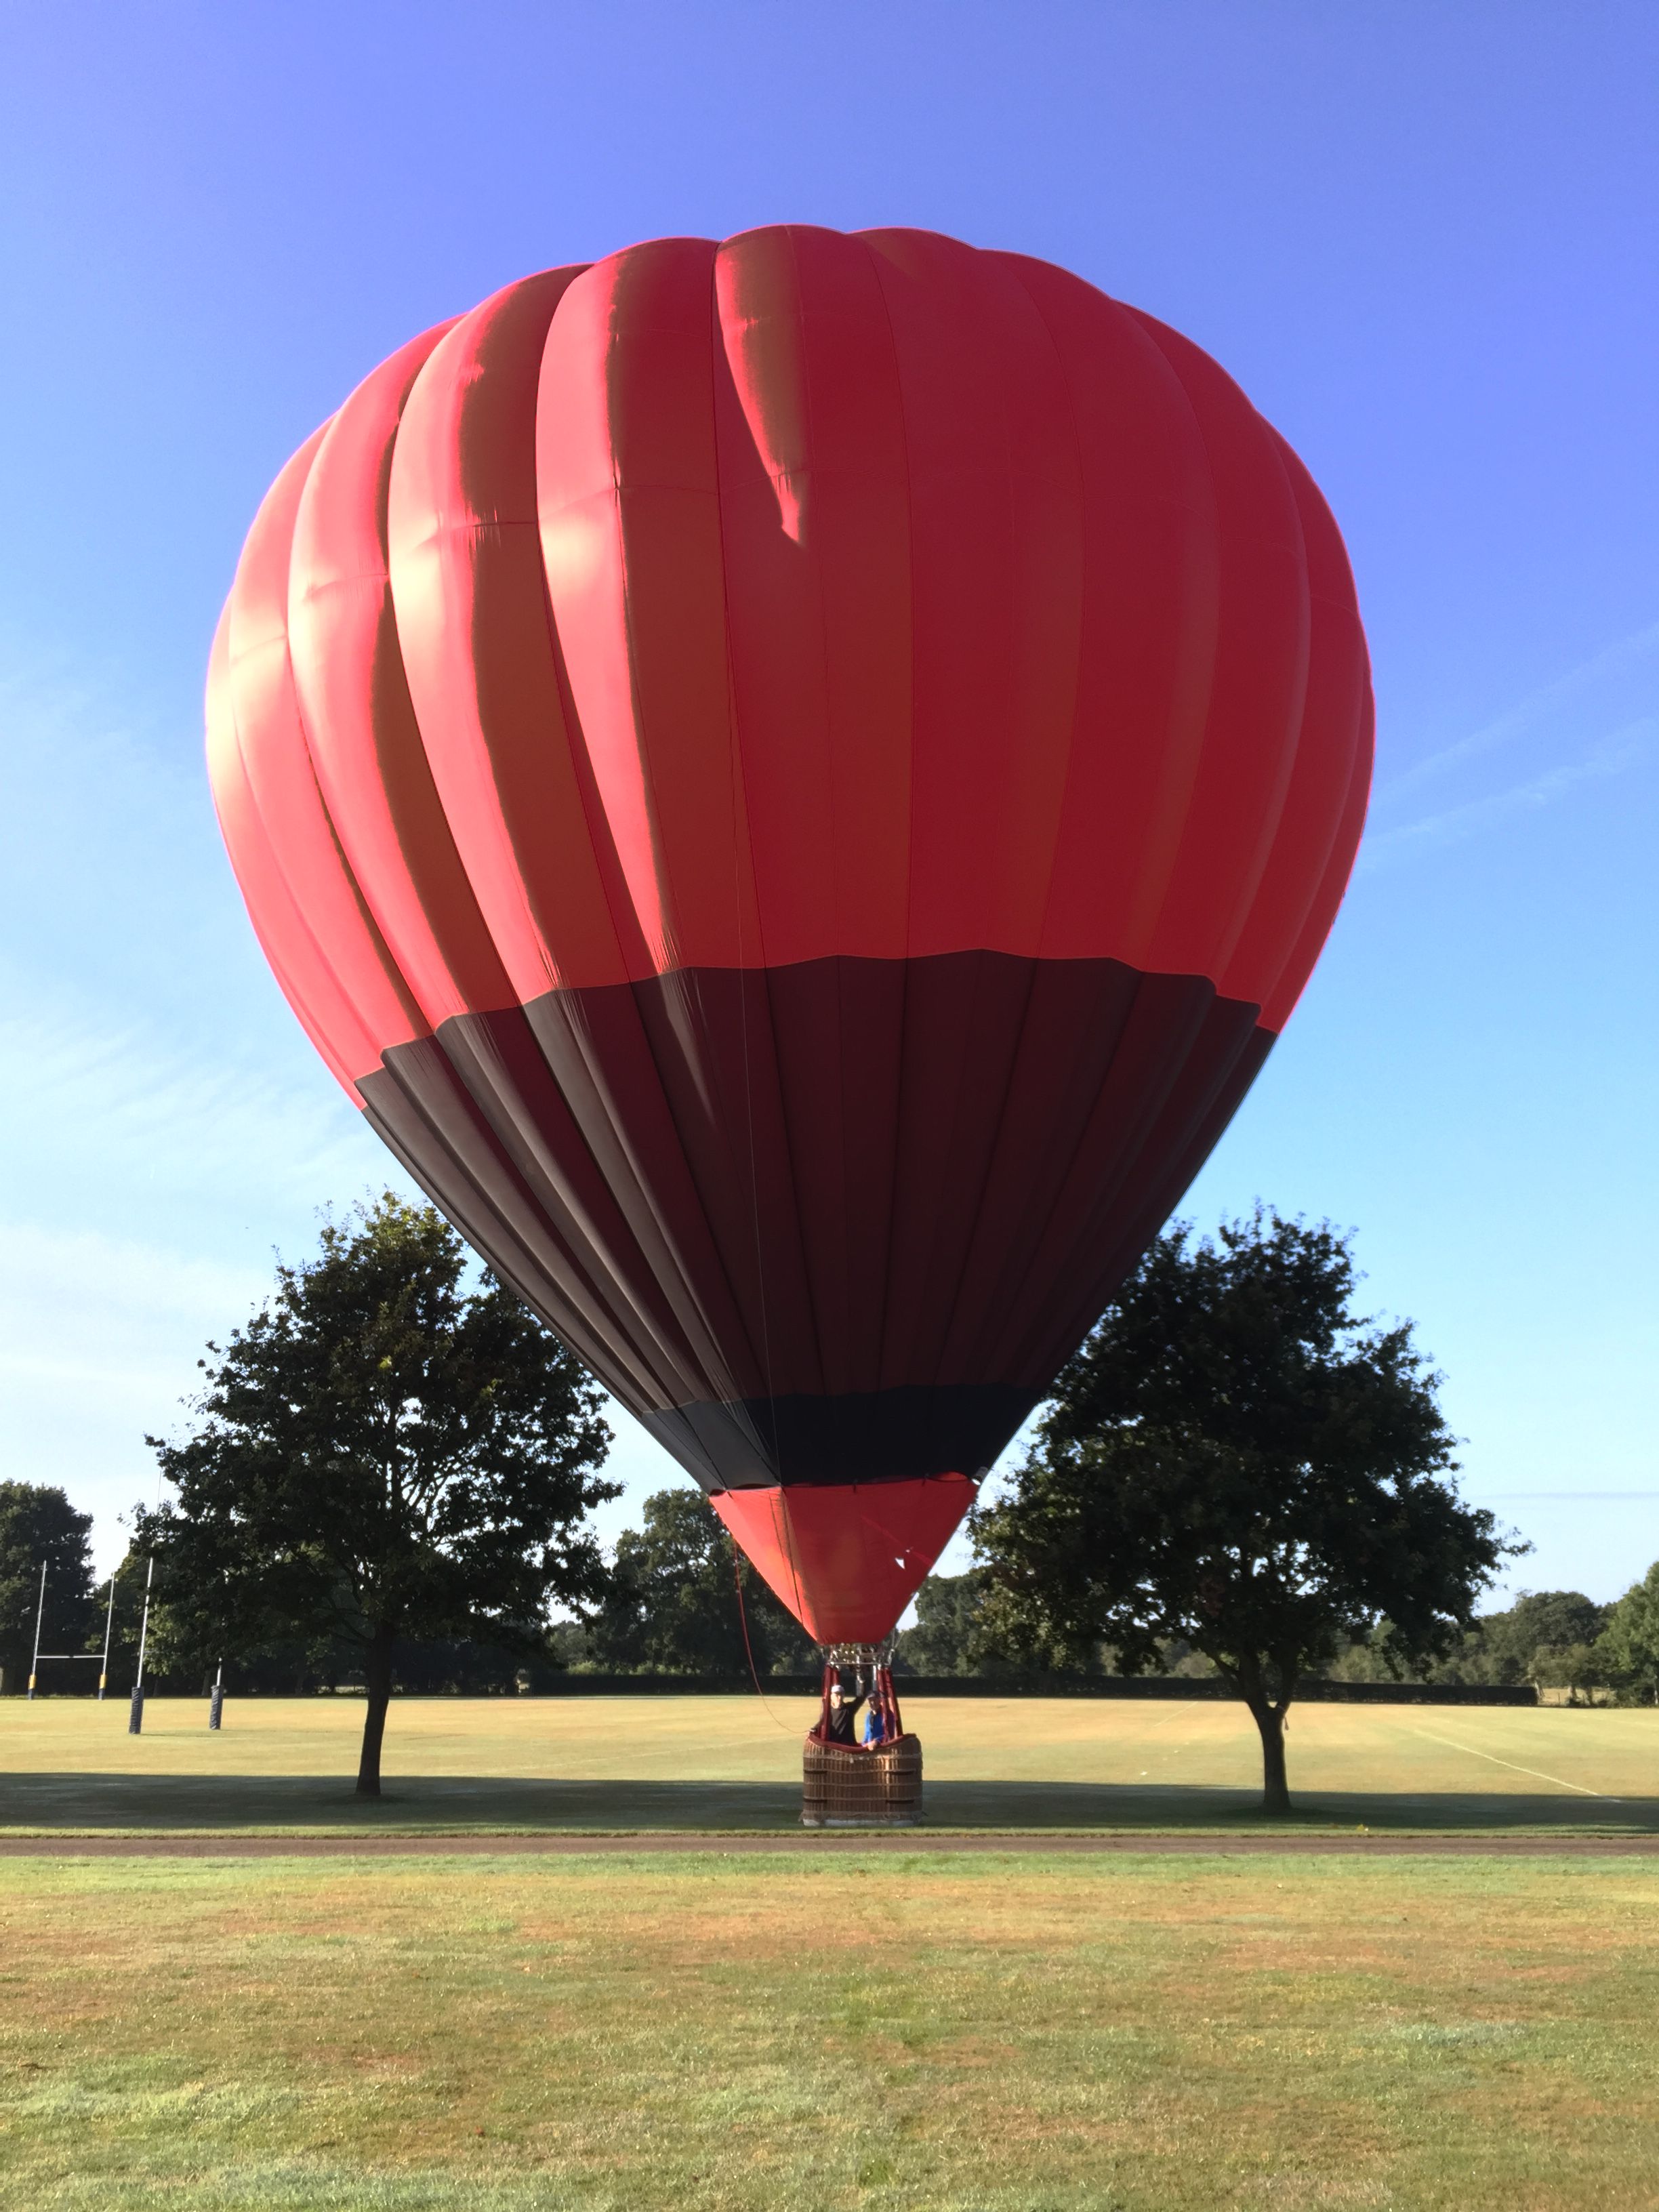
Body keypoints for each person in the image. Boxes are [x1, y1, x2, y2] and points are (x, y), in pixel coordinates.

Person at [821, 1676, 867, 1746]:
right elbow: (821, 1723)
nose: (839, 1698)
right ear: (831, 1697)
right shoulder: (828, 1711)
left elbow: (861, 1698)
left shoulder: (849, 1709)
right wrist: (813, 1729)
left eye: (841, 1695)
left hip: (848, 1747)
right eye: (837, 1695)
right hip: (834, 1748)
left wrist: (861, 1683)